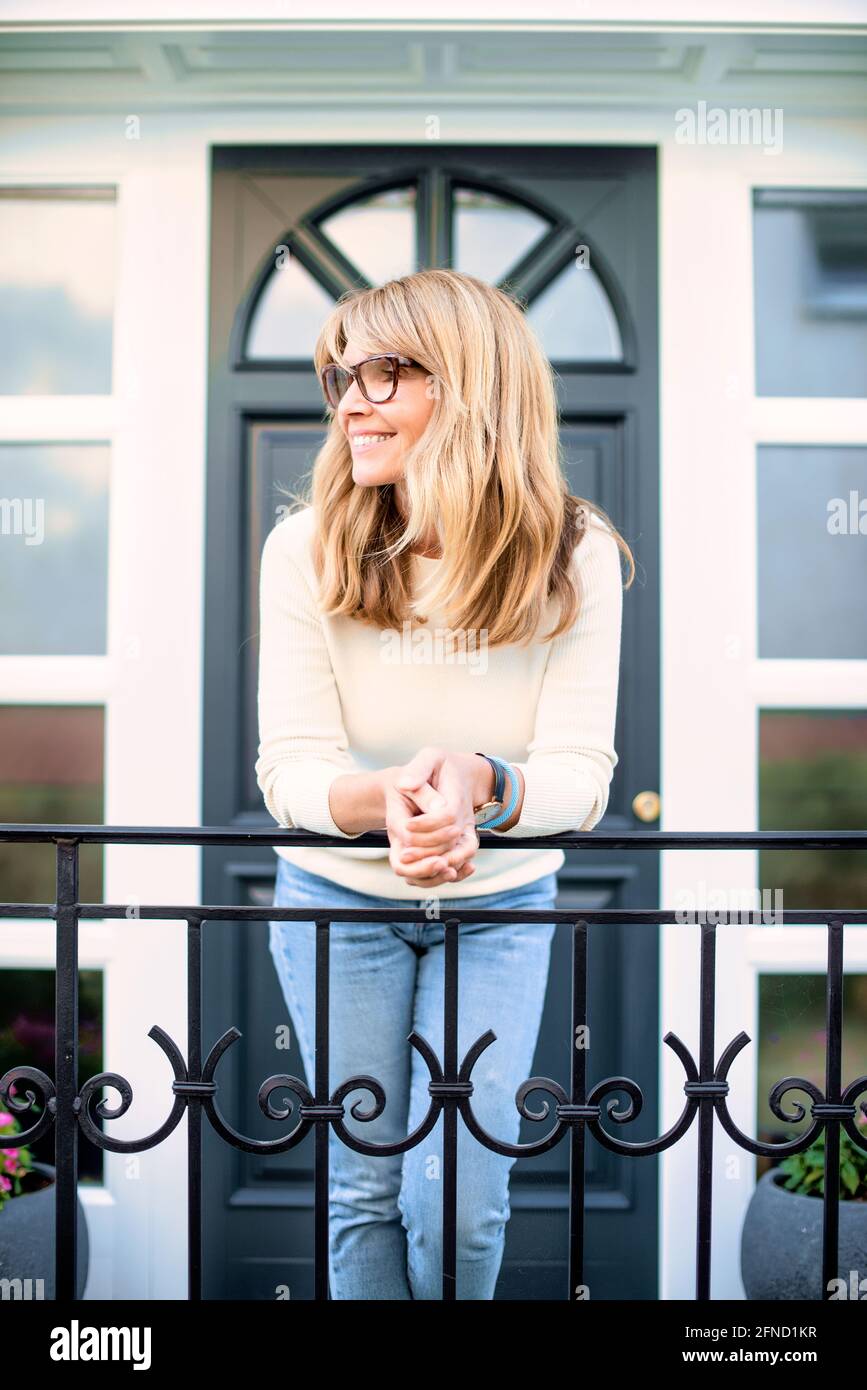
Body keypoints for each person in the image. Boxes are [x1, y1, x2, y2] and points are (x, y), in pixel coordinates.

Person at [256, 267, 634, 1299]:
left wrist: (479, 785)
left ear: (471, 384)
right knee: (367, 1190)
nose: (352, 399)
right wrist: (393, 806)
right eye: (341, 375)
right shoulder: (304, 548)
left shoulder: (575, 553)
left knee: (464, 1196)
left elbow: (579, 777)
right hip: (339, 903)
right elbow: (289, 767)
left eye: (386, 371)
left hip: (499, 907)